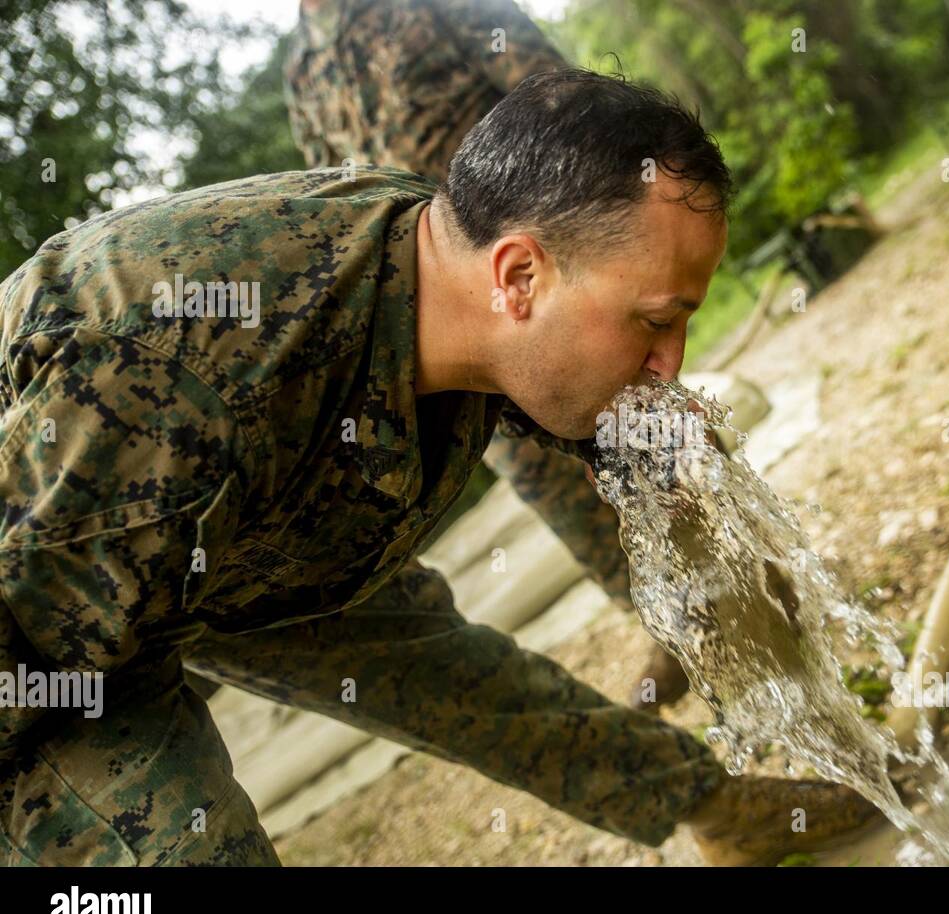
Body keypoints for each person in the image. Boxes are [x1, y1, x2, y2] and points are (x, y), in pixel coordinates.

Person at [0, 68, 877, 866]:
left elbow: (676, 484)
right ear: (521, 277)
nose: (670, 363)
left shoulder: (460, 277)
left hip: (232, 512)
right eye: (654, 322)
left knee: (440, 668)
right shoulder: (174, 377)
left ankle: (722, 811)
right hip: (48, 602)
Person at [284, 0, 689, 712]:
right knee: (547, 483)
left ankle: (734, 585)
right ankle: (667, 621)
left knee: (632, 431)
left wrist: (609, 234)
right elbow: (340, 186)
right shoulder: (304, 67)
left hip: (545, 272)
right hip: (443, 310)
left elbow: (557, 99)